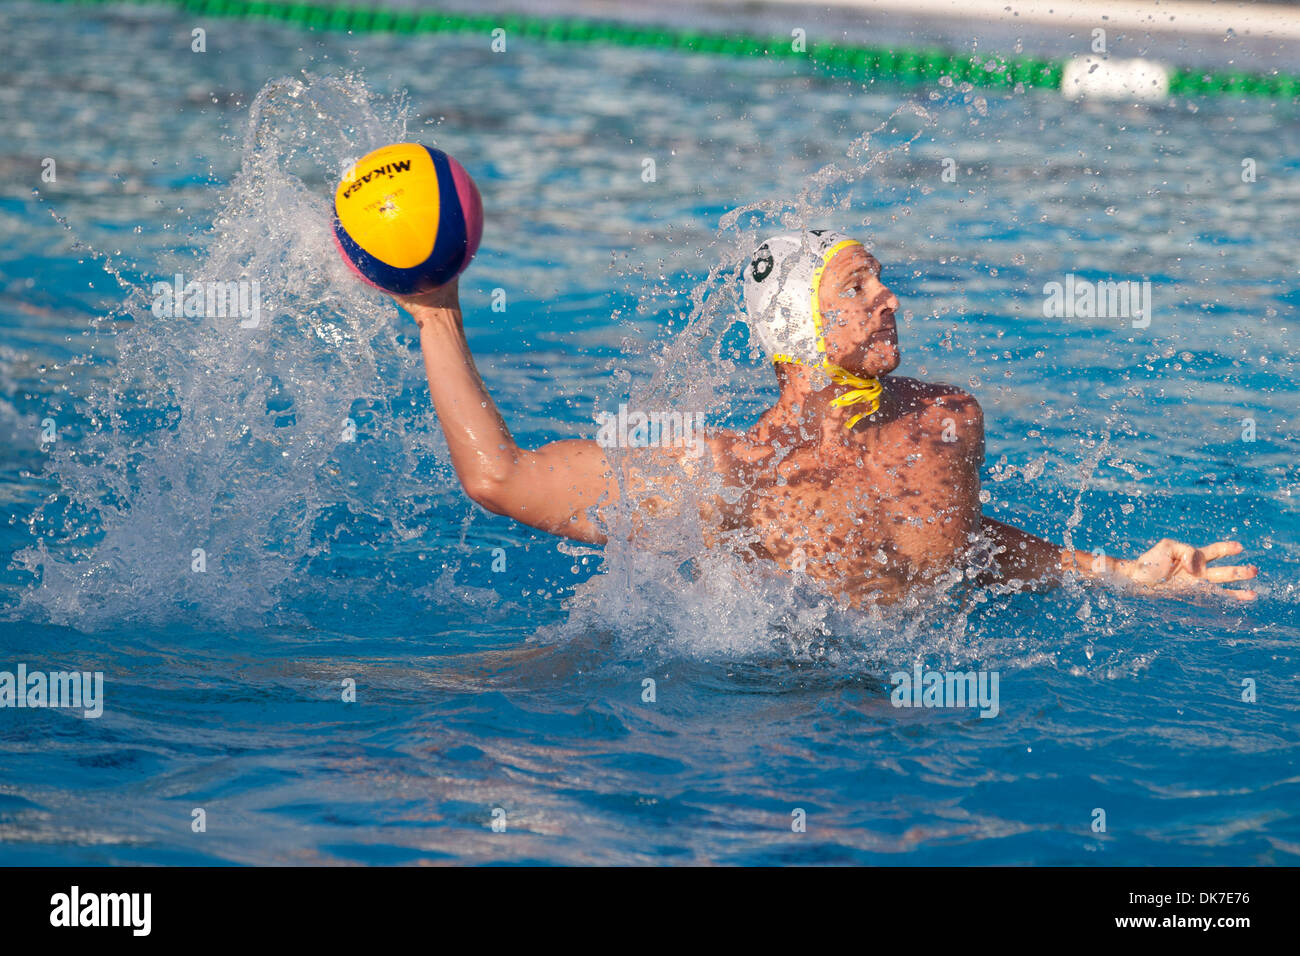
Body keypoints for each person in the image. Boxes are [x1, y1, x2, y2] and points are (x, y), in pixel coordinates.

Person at [396, 229, 1258, 606]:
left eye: (881, 278)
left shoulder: (945, 422)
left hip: (920, 735)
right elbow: (500, 478)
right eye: (858, 285)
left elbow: (960, 545)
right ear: (798, 329)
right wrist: (438, 315)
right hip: (774, 717)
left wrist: (1120, 573)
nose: (890, 297)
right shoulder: (727, 475)